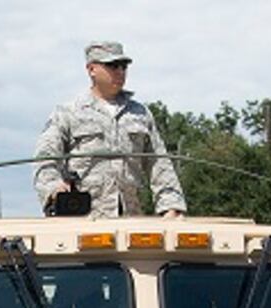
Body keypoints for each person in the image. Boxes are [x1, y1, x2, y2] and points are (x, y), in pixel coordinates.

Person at [34, 41, 186, 218]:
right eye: (113, 66)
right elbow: (45, 158)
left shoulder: (140, 113)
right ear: (92, 69)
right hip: (82, 220)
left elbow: (159, 163)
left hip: (131, 220)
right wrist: (54, 189)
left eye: (124, 66)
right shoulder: (68, 113)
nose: (120, 72)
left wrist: (171, 206)